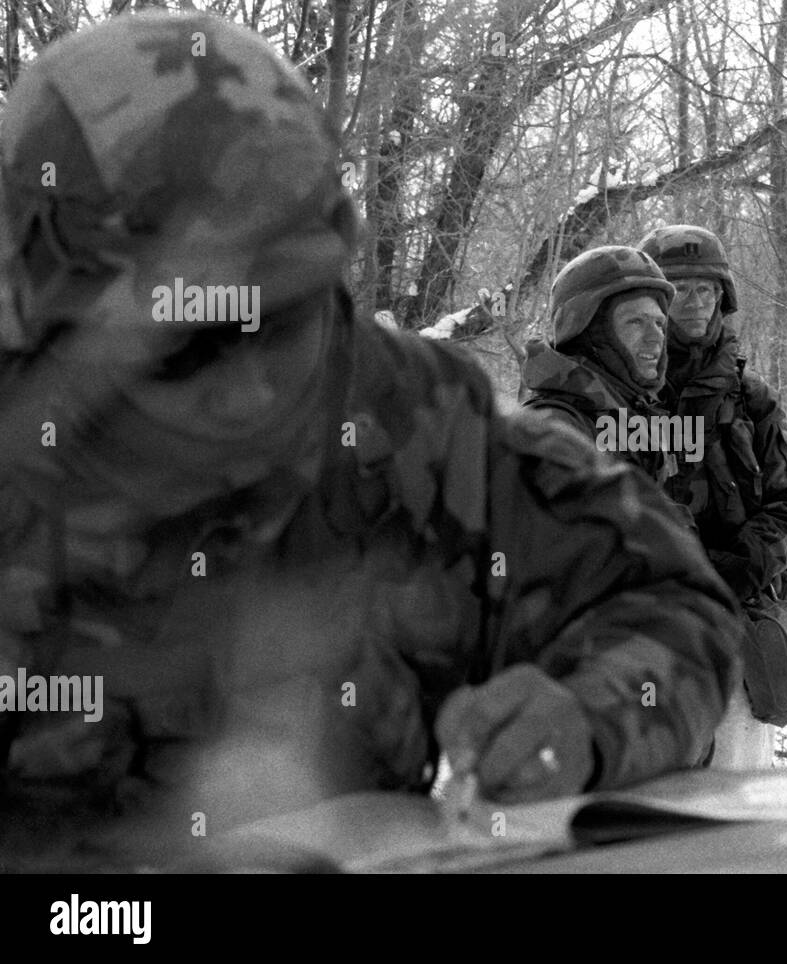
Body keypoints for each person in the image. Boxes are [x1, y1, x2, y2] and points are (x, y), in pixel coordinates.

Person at [0, 12, 741, 864]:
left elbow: (676, 607)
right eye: (189, 341)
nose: (249, 379)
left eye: (284, 313)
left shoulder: (411, 421)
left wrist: (582, 719)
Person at [637, 225, 787, 767]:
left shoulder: (752, 398)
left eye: (706, 291)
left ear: (722, 298)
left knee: (740, 801)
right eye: (679, 290)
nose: (694, 304)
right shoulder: (624, 399)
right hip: (650, 632)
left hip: (741, 627)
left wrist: (736, 565)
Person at [520, 246, 683, 483]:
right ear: (589, 332)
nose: (655, 337)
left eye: (659, 323)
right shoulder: (553, 430)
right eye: (635, 322)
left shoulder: (634, 415)